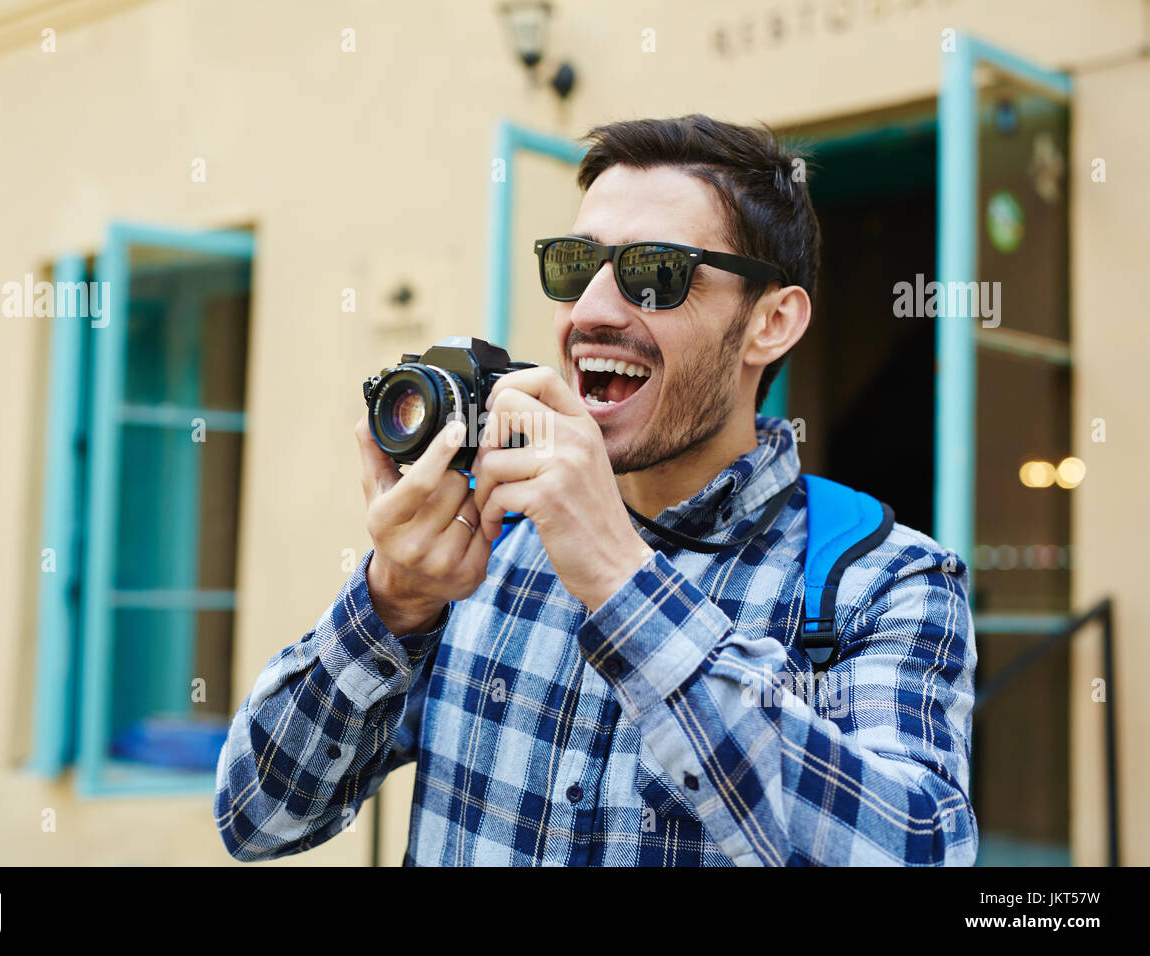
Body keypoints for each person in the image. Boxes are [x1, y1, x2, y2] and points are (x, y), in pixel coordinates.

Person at [213, 114, 978, 866]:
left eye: (655, 274)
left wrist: (623, 581)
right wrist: (394, 603)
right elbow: (257, 818)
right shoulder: (489, 541)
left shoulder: (887, 583)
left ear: (770, 323)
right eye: (576, 267)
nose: (593, 312)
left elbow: (918, 848)